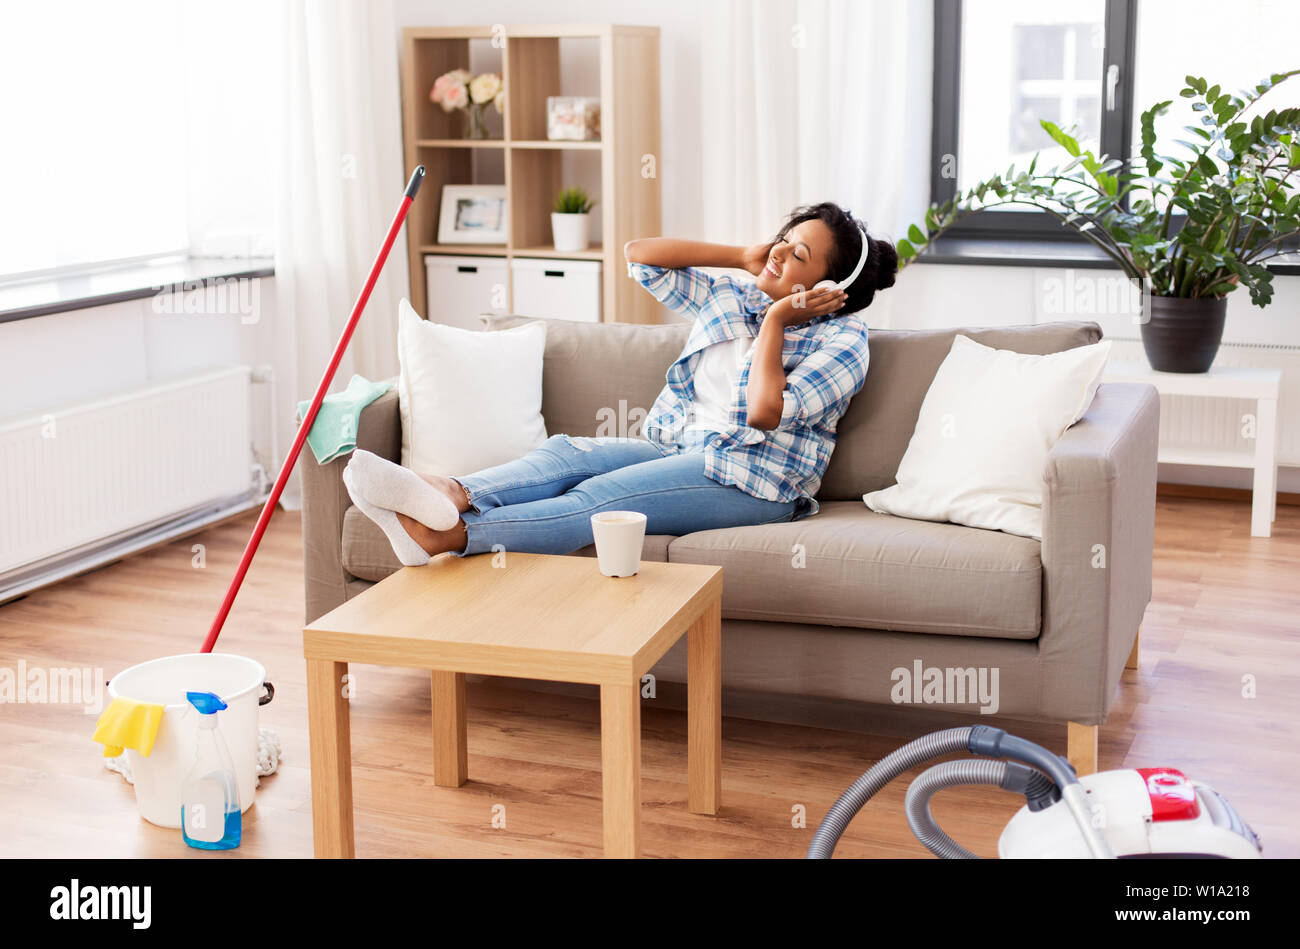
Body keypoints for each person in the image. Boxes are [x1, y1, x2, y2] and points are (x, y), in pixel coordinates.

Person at [343, 201, 898, 565]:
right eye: (783, 237)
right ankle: (452, 492)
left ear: (829, 284)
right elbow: (641, 259)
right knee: (565, 453)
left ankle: (447, 536)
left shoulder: (843, 342)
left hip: (753, 479)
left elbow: (763, 414)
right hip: (677, 448)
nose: (779, 251)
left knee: (598, 500)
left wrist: (778, 322)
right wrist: (741, 257)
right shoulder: (736, 295)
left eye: (797, 253)